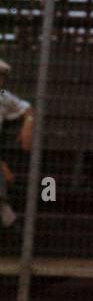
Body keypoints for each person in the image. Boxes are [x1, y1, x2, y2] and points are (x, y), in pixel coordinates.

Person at [0, 59, 35, 230]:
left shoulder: (2, 94)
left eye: (2, 77)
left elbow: (27, 108)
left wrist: (28, 125)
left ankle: (10, 221)